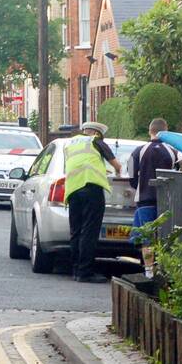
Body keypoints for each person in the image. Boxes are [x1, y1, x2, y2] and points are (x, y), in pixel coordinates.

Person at [63, 120, 123, 282]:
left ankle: (75, 270)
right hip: (91, 188)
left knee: (76, 231)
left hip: (73, 189)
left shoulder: (70, 144)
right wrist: (117, 172)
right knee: (89, 232)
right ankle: (85, 272)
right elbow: (117, 165)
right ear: (97, 133)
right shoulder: (96, 141)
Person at [130, 117, 176, 251]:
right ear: (165, 131)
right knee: (167, 237)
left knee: (147, 239)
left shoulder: (138, 151)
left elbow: (132, 175)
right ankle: (164, 268)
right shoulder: (173, 151)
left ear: (150, 131)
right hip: (168, 201)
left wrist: (140, 186)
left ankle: (149, 270)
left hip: (145, 200)